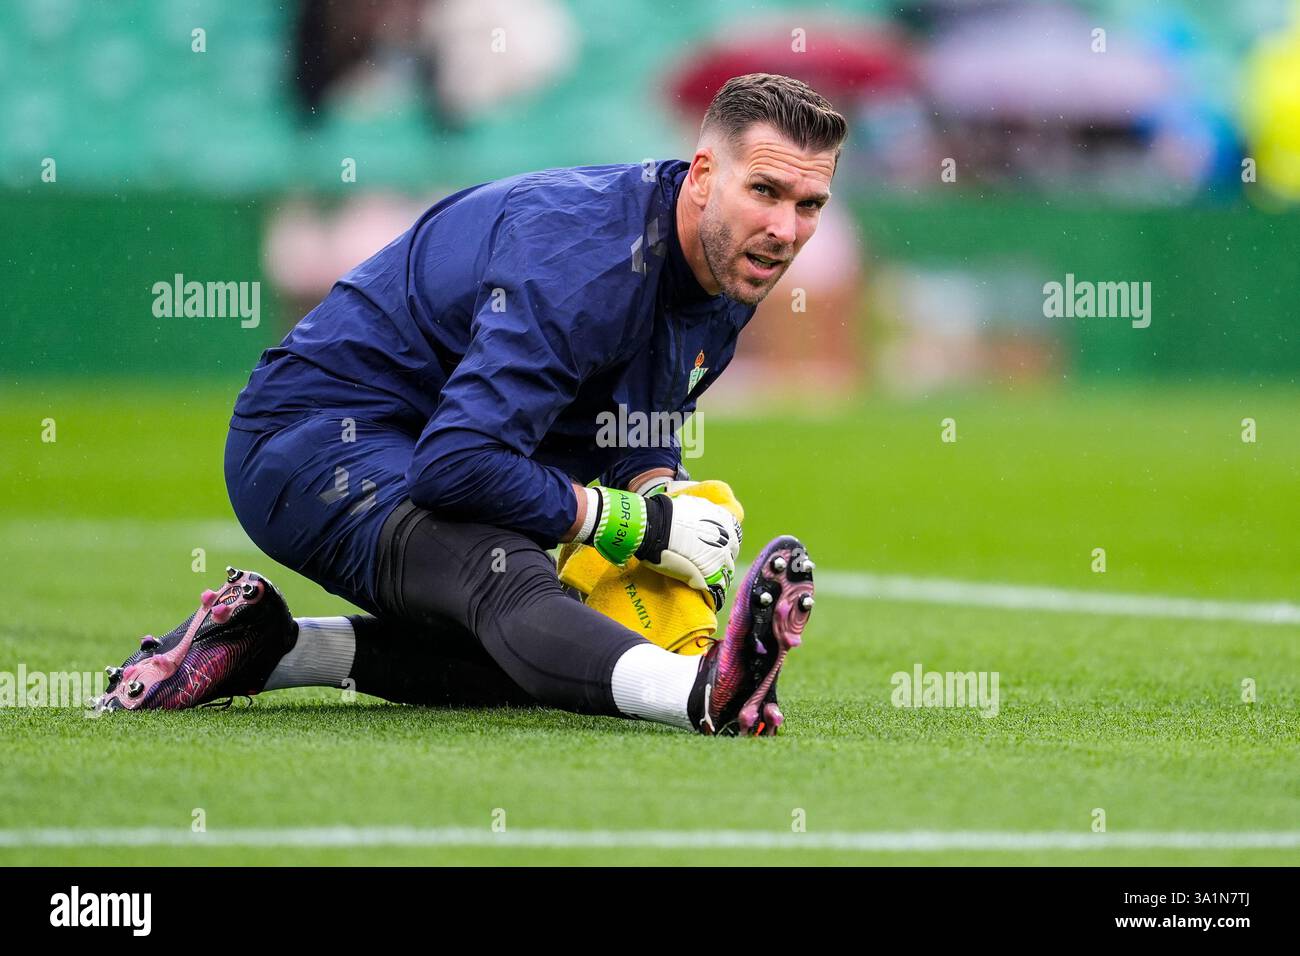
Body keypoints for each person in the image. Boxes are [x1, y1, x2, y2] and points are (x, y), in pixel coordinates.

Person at [96, 73, 843, 736]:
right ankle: (703, 697)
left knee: (548, 656)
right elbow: (455, 464)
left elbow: (630, 426)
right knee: (502, 578)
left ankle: (269, 647)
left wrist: (666, 500)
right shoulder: (586, 262)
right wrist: (638, 525)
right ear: (705, 174)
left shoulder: (726, 262)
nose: (786, 230)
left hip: (420, 438)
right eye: (766, 192)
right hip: (314, 442)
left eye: (810, 204)